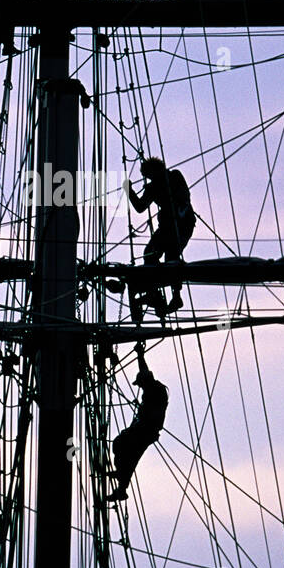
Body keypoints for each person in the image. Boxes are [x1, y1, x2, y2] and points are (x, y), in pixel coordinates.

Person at [124, 157, 195, 318]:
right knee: (150, 254)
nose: (149, 178)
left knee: (172, 257)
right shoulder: (152, 187)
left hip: (181, 224)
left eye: (149, 175)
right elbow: (141, 207)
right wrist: (130, 191)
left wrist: (172, 203)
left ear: (156, 170)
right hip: (167, 226)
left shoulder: (174, 176)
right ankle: (153, 292)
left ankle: (176, 297)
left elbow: (185, 195)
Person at [106, 343, 168, 502]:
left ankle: (121, 483)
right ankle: (121, 480)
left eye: (140, 384)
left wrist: (144, 414)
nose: (139, 387)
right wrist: (140, 354)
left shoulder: (155, 391)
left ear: (145, 382)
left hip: (146, 430)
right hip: (144, 429)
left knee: (125, 450)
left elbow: (153, 412)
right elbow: (144, 370)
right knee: (125, 452)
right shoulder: (152, 388)